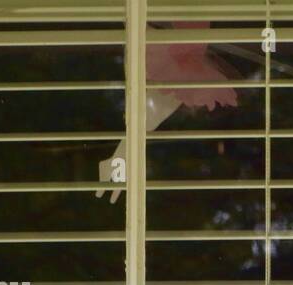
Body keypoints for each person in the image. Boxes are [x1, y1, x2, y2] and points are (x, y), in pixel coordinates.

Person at [96, 21, 238, 203]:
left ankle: (118, 162)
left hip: (184, 55)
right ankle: (118, 162)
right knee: (148, 117)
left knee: (148, 117)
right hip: (180, 55)